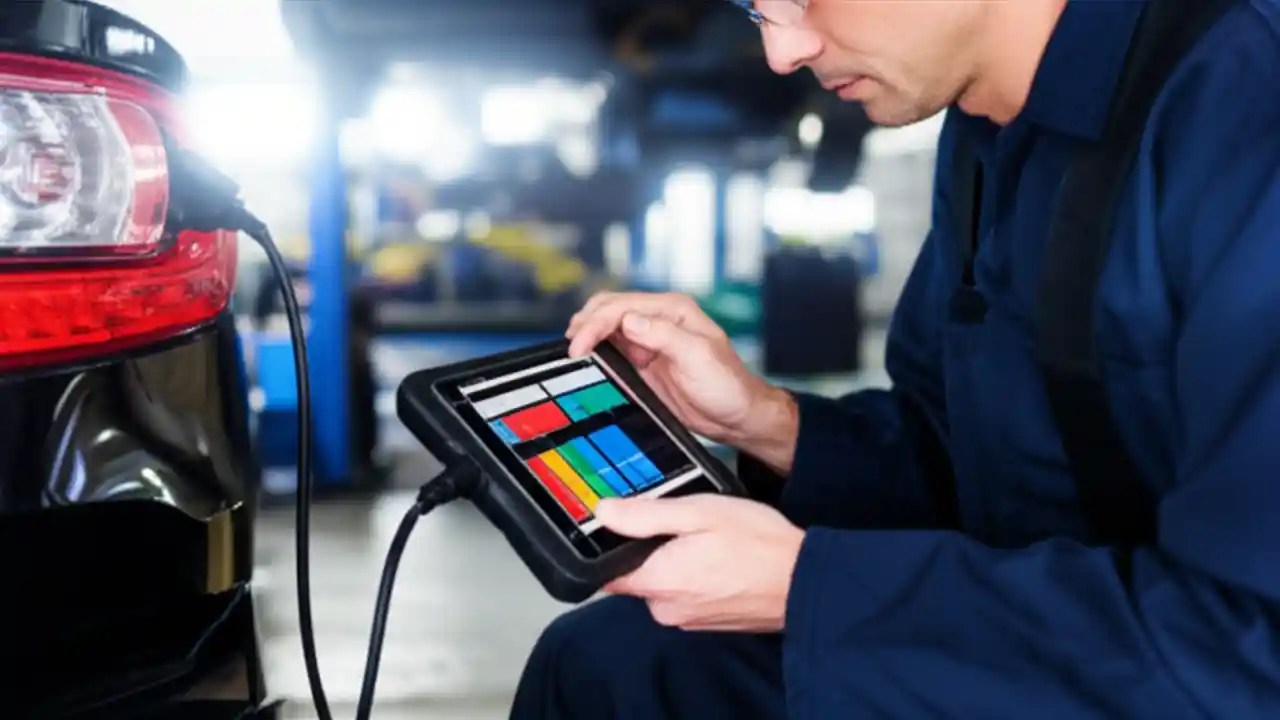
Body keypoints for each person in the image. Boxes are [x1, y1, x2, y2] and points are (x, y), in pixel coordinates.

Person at [509, 0, 1280, 717]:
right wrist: (766, 422)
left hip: (1191, 673)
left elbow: (1248, 654)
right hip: (1058, 632)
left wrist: (811, 591)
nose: (783, 51)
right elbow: (970, 462)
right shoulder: (985, 129)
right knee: (615, 666)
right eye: (756, 8)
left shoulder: (1247, 105)